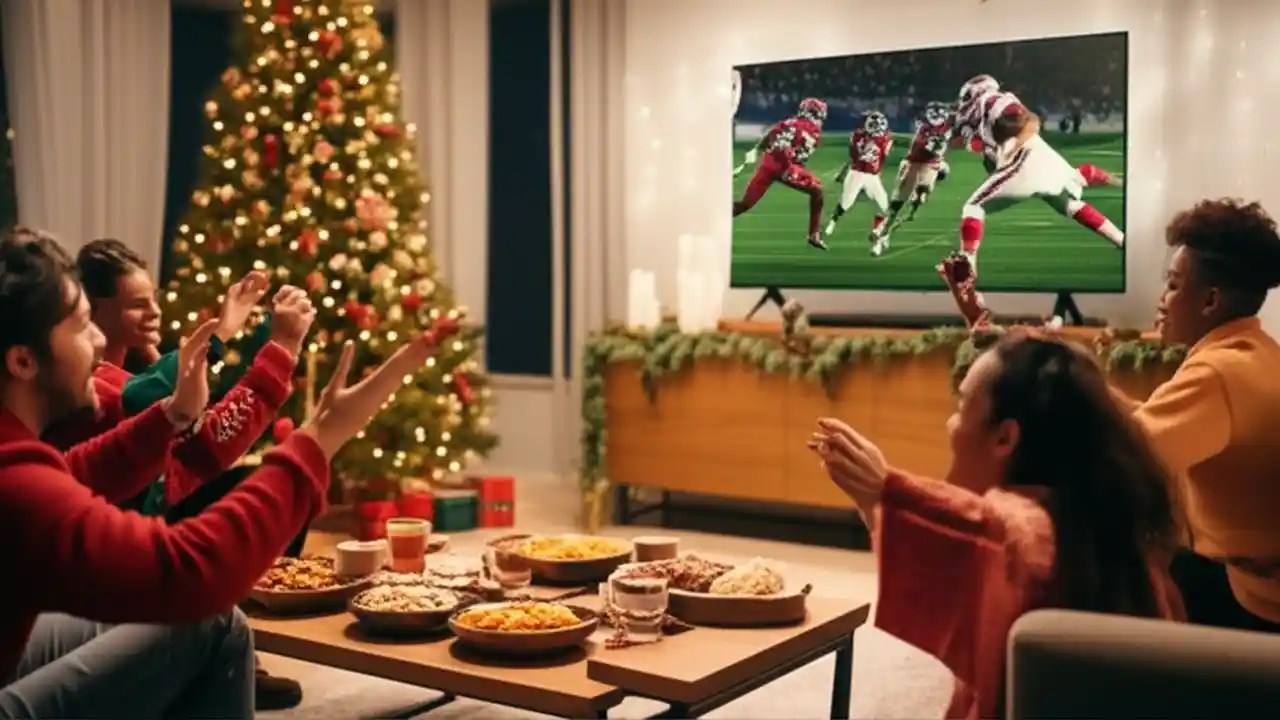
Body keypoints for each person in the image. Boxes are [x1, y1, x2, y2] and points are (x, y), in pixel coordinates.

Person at [0, 228, 457, 717]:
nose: (96, 340)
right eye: (81, 324)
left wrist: (174, 415)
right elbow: (185, 574)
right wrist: (321, 437)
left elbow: (75, 472)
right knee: (210, 619)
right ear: (24, 360)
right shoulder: (17, 480)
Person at [810, 332, 1182, 720]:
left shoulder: (1029, 531)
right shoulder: (1096, 515)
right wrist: (876, 497)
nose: (950, 423)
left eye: (962, 405)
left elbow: (1000, 537)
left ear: (1005, 437)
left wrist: (886, 489)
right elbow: (959, 562)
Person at [49, 239, 310, 710]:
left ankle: (226, 648)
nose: (153, 312)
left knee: (267, 488)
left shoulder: (139, 374)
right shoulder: (87, 392)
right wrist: (224, 332)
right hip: (105, 563)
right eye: (136, 304)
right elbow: (142, 405)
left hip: (146, 525)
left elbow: (208, 447)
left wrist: (281, 349)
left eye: (153, 299)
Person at [1111, 198, 1280, 632]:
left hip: (1257, 605)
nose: (1163, 300)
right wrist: (1084, 381)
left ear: (1209, 300)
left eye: (1172, 284)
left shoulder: (1216, 373)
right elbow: (1146, 424)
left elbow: (1127, 458)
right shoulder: (1254, 352)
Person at [948, 74, 1123, 279]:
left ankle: (967, 265)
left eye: (966, 98)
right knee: (1069, 203)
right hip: (1041, 158)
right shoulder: (983, 120)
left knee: (974, 207)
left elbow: (1030, 120)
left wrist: (1014, 147)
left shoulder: (992, 101)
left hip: (1025, 160)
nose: (963, 104)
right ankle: (1121, 238)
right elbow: (983, 148)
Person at [732, 97, 829, 249]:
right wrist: (788, 166)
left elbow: (771, 135)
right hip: (782, 165)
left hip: (770, 163)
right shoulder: (805, 129)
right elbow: (782, 145)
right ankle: (813, 234)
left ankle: (715, 217)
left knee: (745, 204)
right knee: (817, 191)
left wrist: (758, 149)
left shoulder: (791, 123)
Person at [823, 110, 893, 251]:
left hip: (872, 176)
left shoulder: (886, 139)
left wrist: (878, 172)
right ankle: (833, 221)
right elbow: (854, 156)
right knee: (846, 202)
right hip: (857, 173)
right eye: (874, 125)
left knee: (884, 206)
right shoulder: (858, 136)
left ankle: (879, 236)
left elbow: (882, 158)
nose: (876, 129)